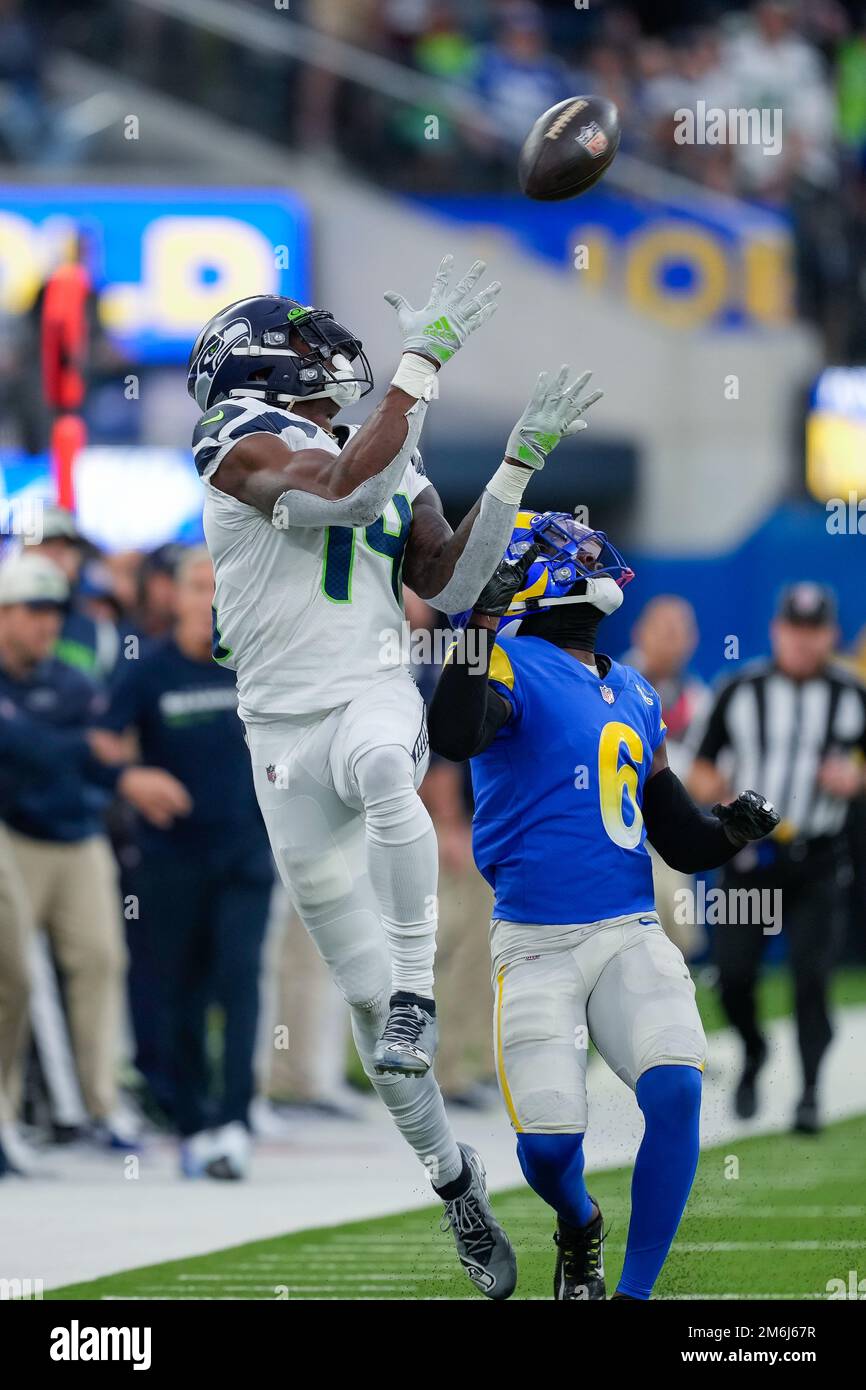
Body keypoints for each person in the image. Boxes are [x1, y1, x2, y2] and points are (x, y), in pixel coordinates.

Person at [186, 253, 601, 1296]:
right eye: (308, 342)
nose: (336, 357)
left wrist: (513, 466)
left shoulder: (388, 445)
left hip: (367, 690)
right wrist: (419, 368)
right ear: (262, 366)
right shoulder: (232, 443)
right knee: (370, 1015)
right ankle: (454, 1184)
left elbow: (450, 580)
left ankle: (419, 992)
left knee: (383, 760)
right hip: (278, 734)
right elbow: (326, 495)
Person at [428, 511, 778, 1300]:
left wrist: (730, 830)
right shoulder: (508, 661)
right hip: (536, 941)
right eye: (563, 550)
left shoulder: (635, 689)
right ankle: (579, 1223)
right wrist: (480, 624)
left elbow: (677, 839)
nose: (588, 554)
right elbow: (452, 731)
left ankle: (635, 1293)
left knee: (678, 1088)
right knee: (549, 1150)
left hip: (629, 929)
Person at [0, 552, 191, 1146]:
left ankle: (99, 1105)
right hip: (10, 835)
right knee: (11, 979)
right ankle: (4, 1118)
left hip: (77, 835)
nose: (47, 623)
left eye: (54, 611)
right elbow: (36, 747)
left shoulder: (73, 681)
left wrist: (106, 765)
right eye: (33, 610)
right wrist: (111, 770)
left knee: (102, 961)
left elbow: (94, 747)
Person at [99, 548, 274, 1179]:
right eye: (197, 584)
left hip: (248, 851)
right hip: (171, 855)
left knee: (240, 978)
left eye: (218, 585)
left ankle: (234, 1119)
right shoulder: (146, 666)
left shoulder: (256, 659)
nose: (208, 597)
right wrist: (131, 777)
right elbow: (101, 741)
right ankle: (193, 1119)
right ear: (173, 595)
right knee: (179, 990)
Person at [689, 582, 866, 1133]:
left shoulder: (853, 693)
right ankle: (755, 1048)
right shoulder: (739, 689)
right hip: (751, 860)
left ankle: (810, 1091)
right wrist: (713, 789)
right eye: (795, 629)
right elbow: (698, 766)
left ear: (830, 635)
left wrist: (856, 778)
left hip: (818, 858)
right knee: (734, 975)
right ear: (777, 631)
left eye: (815, 630)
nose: (804, 641)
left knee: (812, 975)